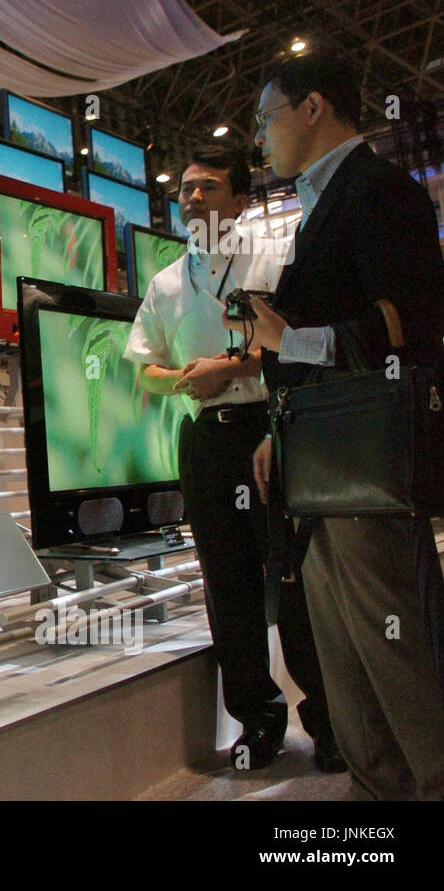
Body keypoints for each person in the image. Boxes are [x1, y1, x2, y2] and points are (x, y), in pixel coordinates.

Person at [226, 52, 444, 800]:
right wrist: (277, 429)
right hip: (317, 460)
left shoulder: (381, 190)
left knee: (398, 643)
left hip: (367, 463)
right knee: (345, 652)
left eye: (265, 117)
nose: (259, 137)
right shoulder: (318, 206)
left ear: (312, 107)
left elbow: (411, 322)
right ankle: (378, 791)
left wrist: (292, 343)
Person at [125, 141, 340, 773]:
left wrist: (230, 367)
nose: (192, 197)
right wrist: (189, 378)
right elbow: (146, 369)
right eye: (185, 188)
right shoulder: (166, 281)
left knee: (294, 579)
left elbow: (293, 340)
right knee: (227, 585)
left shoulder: (274, 258)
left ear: (242, 201)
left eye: (208, 187)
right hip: (206, 440)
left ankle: (327, 720)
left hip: (271, 429)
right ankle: (258, 719)